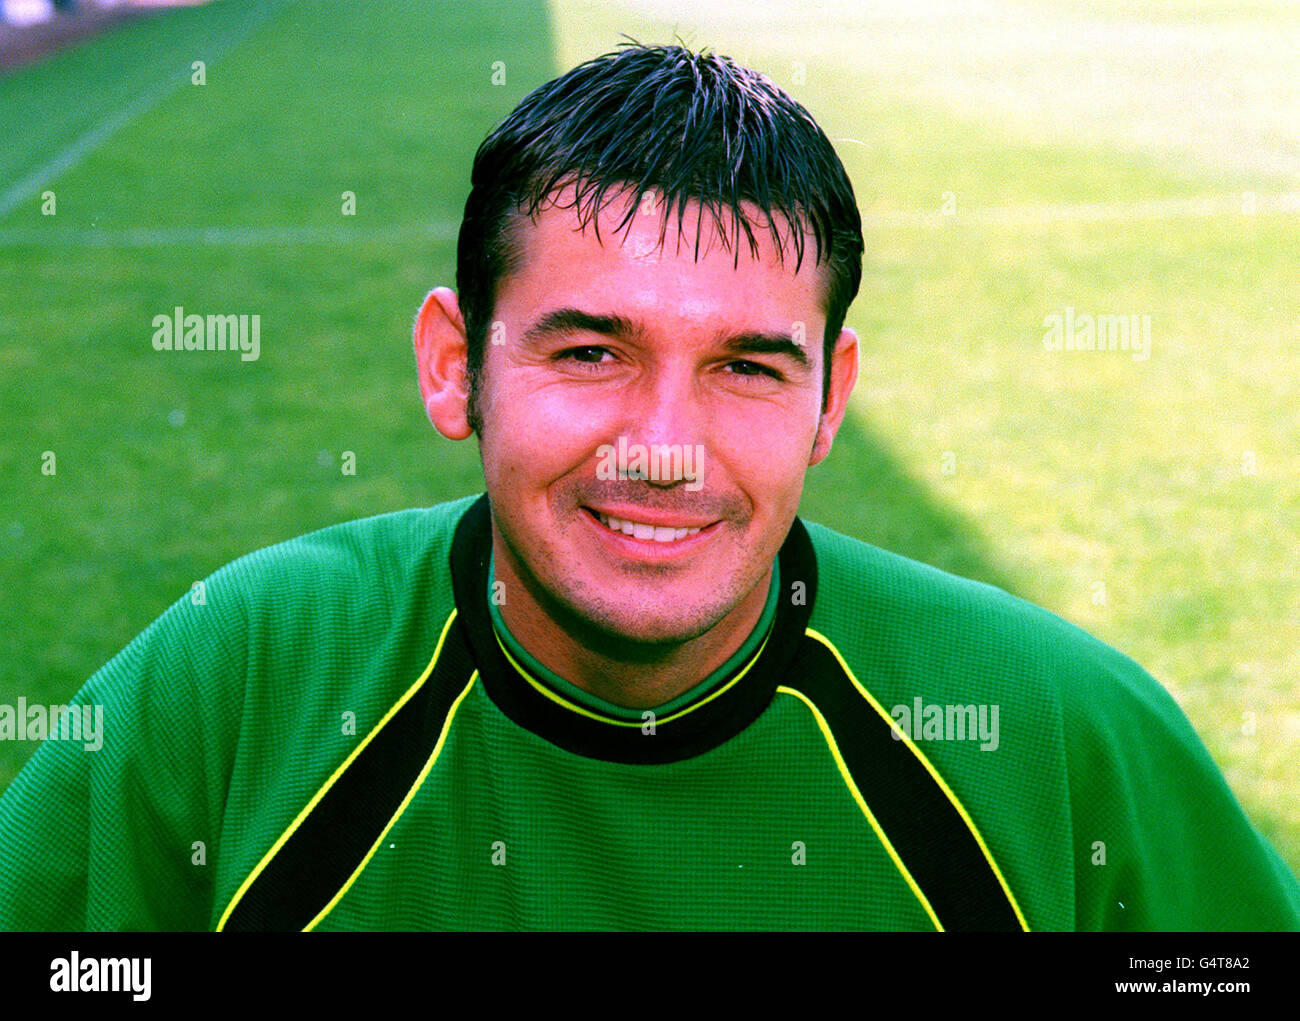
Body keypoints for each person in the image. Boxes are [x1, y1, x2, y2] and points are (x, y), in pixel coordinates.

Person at [1, 42, 1297, 932]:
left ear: (830, 400)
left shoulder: (1062, 738)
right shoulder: (229, 687)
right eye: (590, 350)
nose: (664, 444)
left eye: (745, 364)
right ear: (456, 368)